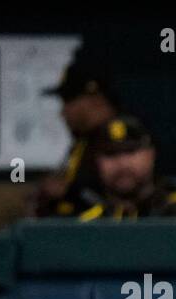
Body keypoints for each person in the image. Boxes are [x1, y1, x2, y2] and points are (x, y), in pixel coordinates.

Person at [30, 58, 119, 218]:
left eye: (68, 101)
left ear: (95, 100)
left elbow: (125, 203)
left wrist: (69, 191)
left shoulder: (124, 142)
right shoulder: (84, 141)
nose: (63, 112)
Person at [77, 115, 176, 220]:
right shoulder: (88, 223)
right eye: (111, 154)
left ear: (150, 154)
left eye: (131, 152)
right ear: (97, 161)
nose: (122, 163)